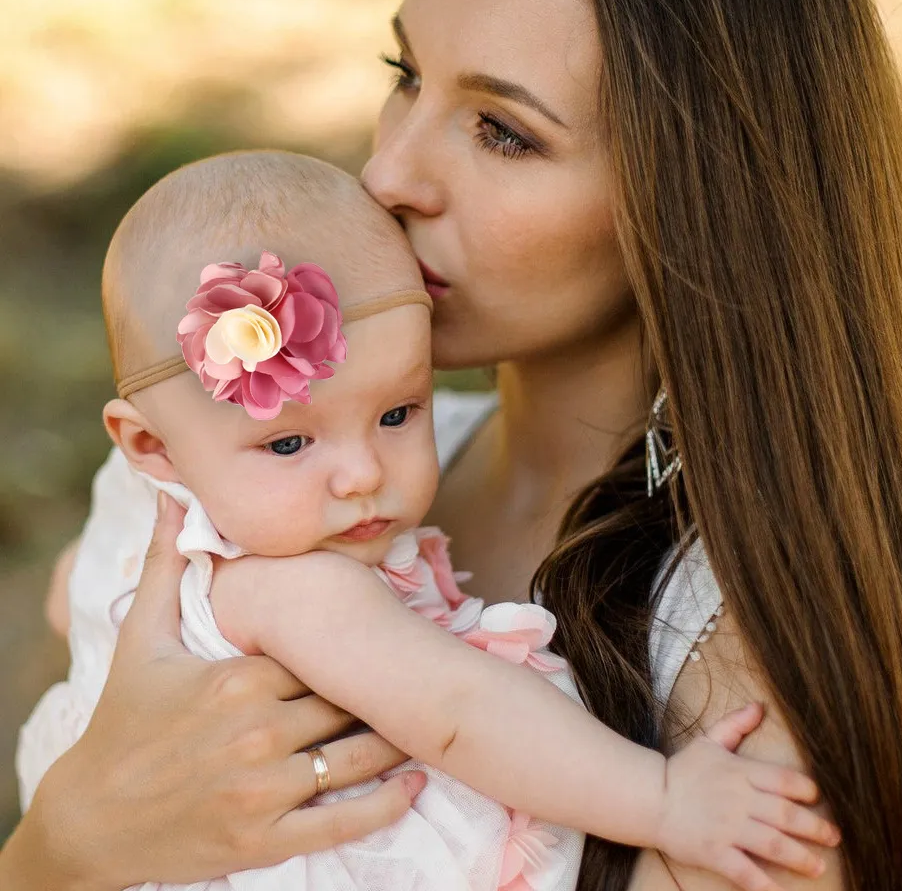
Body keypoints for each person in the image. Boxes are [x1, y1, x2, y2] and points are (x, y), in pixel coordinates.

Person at [3, 0, 902, 889]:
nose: (388, 174)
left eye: (502, 132)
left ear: (695, 197)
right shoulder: (289, 476)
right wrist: (61, 845)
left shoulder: (745, 673)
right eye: (404, 76)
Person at [17, 149, 836, 891]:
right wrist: (662, 802)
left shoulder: (146, 515)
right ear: (150, 444)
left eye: (399, 413)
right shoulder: (293, 589)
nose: (365, 473)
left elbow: (72, 598)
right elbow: (457, 713)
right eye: (291, 441)